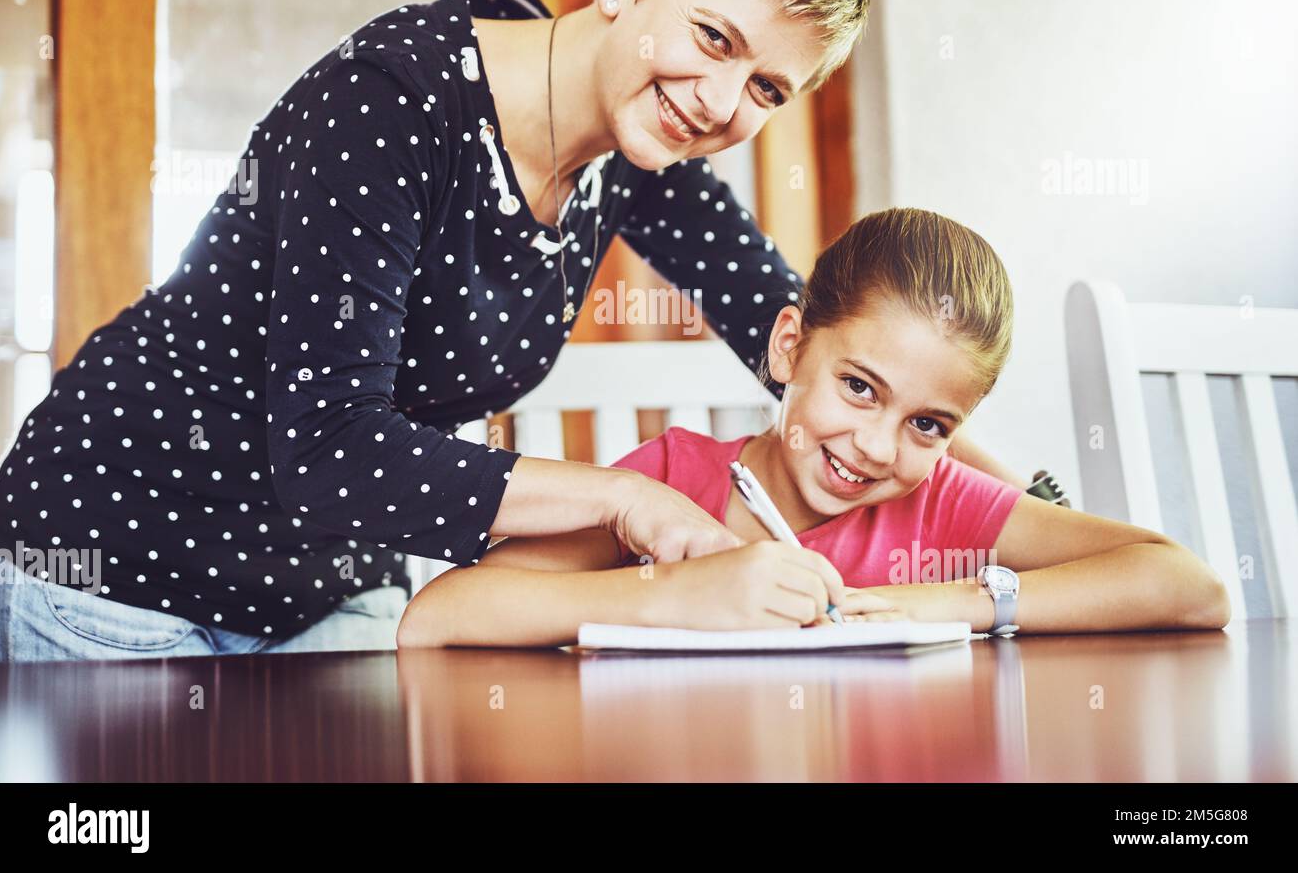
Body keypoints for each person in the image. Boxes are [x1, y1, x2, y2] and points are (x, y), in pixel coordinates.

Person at [0, 0, 1017, 662]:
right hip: (119, 569)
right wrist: (626, 498)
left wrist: (998, 494)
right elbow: (327, 454)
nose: (718, 100)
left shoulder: (635, 144)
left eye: (765, 90)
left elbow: (815, 336)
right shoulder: (392, 104)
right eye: (713, 36)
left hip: (325, 594)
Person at [395, 208, 1231, 648]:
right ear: (791, 347)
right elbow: (440, 620)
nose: (876, 447)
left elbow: (1190, 587)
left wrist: (939, 607)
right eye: (860, 387)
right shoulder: (670, 485)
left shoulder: (940, 504)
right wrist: (675, 594)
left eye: (929, 423)